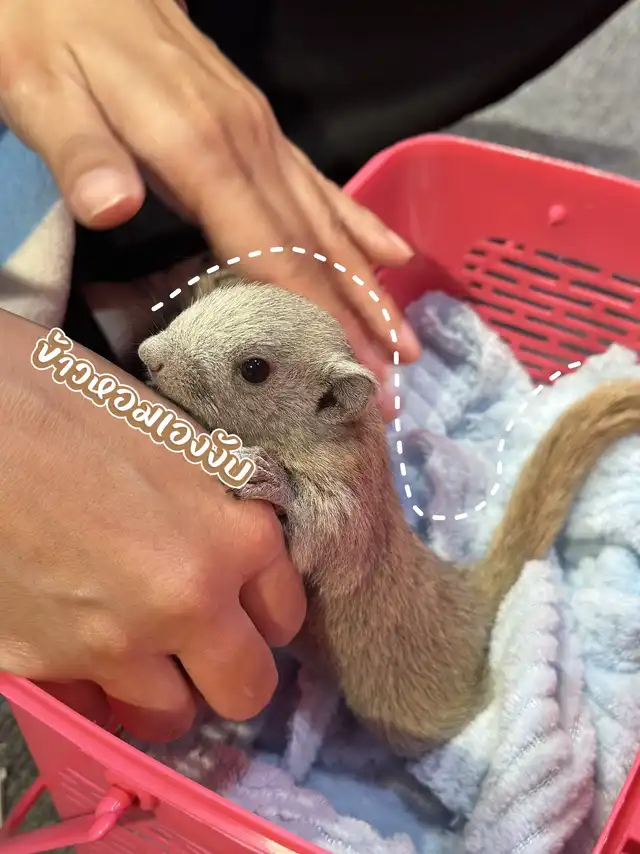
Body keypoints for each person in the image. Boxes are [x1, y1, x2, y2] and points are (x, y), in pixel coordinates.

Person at [0, 0, 629, 742]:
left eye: (255, 371)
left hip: (407, 684)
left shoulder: (338, 483)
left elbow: (310, 554)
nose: (154, 354)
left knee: (409, 724)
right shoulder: (304, 430)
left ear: (332, 401)